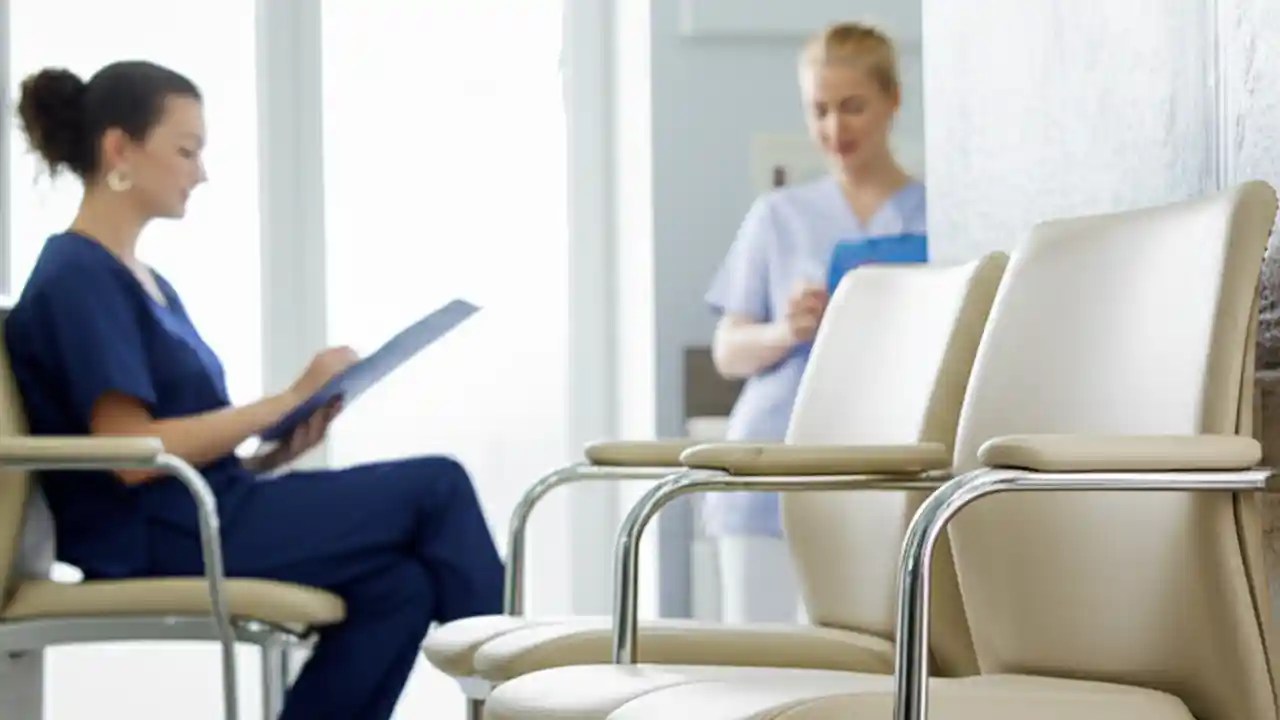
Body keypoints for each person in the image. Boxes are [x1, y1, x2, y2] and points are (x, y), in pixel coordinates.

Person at [5, 61, 503, 720]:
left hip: (204, 508)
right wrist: (287, 398)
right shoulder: (75, 276)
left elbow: (174, 448)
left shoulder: (144, 281)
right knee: (438, 486)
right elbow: (129, 454)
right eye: (187, 150)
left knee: (398, 587)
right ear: (119, 148)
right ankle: (528, 702)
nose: (201, 172)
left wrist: (273, 453)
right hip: (159, 534)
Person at [704, 23, 926, 623]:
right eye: (819, 110)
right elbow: (728, 350)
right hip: (773, 458)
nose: (834, 129)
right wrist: (787, 331)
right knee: (760, 657)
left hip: (888, 462)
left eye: (852, 107)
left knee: (866, 656)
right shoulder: (778, 216)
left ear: (892, 100)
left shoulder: (938, 215)